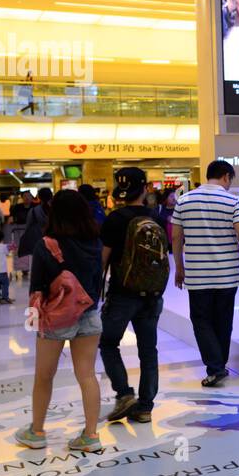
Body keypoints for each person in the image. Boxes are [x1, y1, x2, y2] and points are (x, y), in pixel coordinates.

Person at [15, 189, 104, 452]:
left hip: (55, 318)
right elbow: (97, 281)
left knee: (44, 376)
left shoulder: (46, 243)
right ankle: (91, 436)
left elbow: (37, 288)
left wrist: (33, 322)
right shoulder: (95, 241)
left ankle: (37, 431)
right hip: (88, 314)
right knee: (87, 375)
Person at [99, 167, 170, 424]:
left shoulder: (114, 219)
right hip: (152, 294)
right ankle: (145, 407)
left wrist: (96, 292)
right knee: (148, 351)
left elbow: (103, 260)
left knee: (108, 343)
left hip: (122, 293)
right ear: (145, 188)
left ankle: (124, 393)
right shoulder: (157, 218)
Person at [172, 160, 239, 387]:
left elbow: (176, 237)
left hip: (197, 274)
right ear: (226, 176)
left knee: (201, 320)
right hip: (227, 274)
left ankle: (215, 367)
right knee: (223, 320)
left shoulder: (184, 200)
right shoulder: (233, 201)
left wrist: (179, 267)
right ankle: (219, 366)